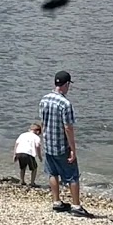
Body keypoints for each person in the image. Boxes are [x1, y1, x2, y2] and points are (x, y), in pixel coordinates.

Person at [38, 70, 90, 217]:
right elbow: (68, 127)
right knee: (72, 175)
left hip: (48, 143)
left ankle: (56, 202)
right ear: (66, 84)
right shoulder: (65, 104)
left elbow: (42, 122)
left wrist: (43, 139)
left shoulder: (44, 99)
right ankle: (76, 205)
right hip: (61, 145)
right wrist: (73, 149)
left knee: (52, 173)